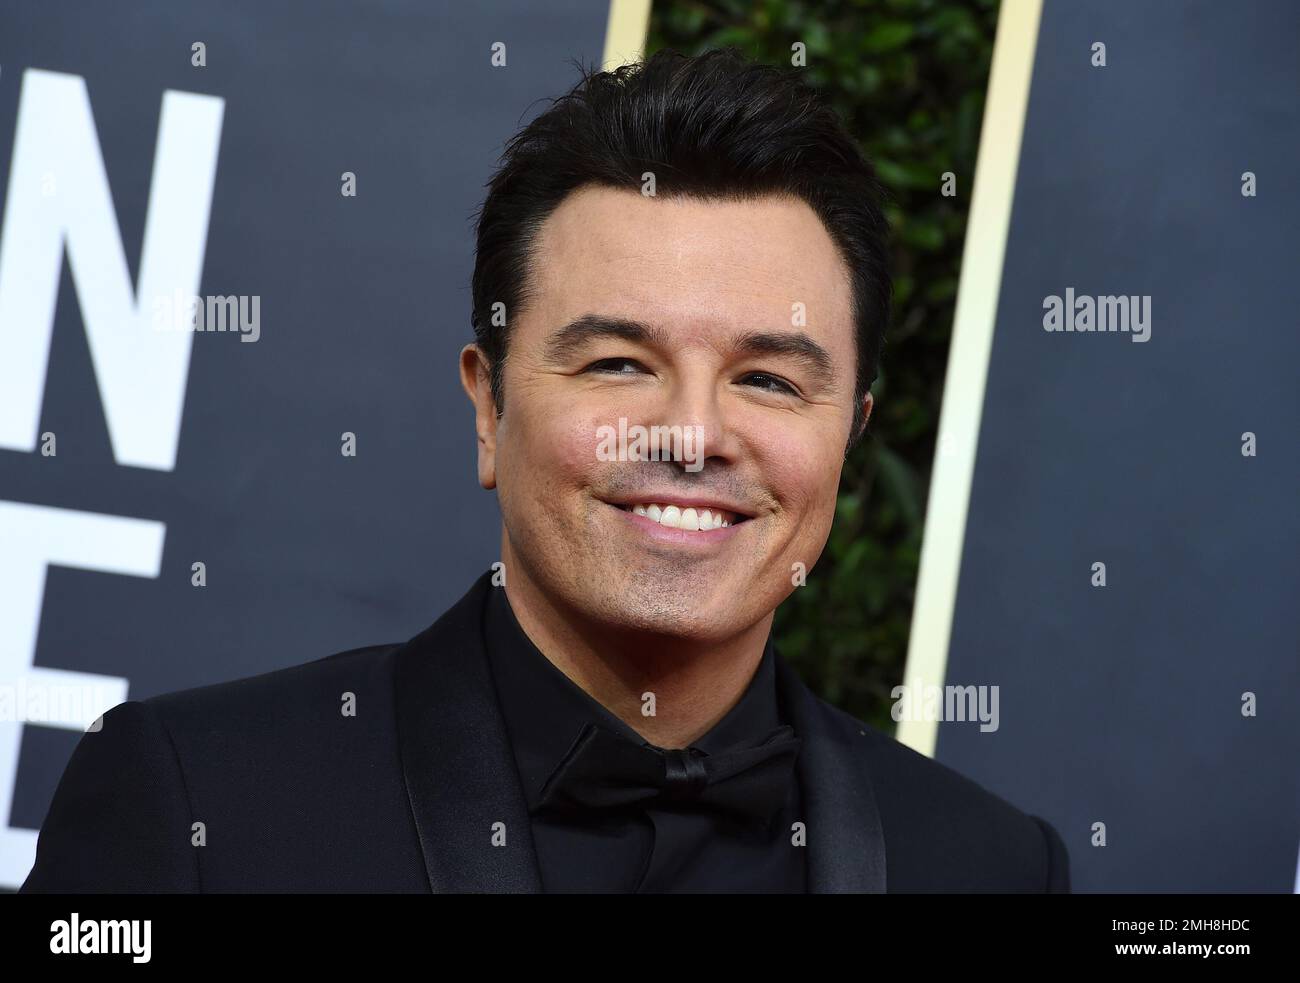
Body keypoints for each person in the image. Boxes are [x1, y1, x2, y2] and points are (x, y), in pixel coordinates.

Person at [21, 47, 1069, 893]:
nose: (691, 434)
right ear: (489, 402)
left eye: (768, 380)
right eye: (619, 363)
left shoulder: (987, 865)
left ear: (848, 436)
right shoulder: (202, 801)